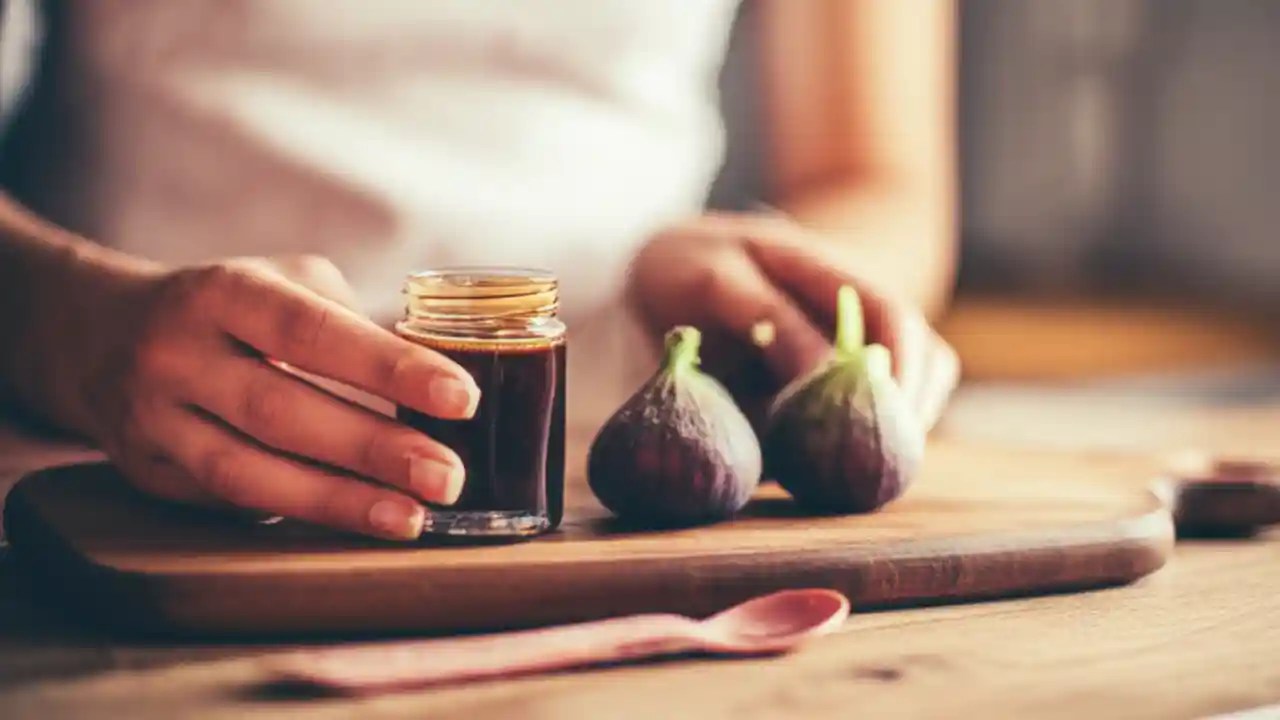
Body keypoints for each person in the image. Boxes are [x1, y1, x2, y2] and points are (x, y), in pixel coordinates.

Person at [0, 1, 958, 540]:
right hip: (146, 480)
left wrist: (775, 281)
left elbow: (876, 181)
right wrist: (78, 329)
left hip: (624, 511)